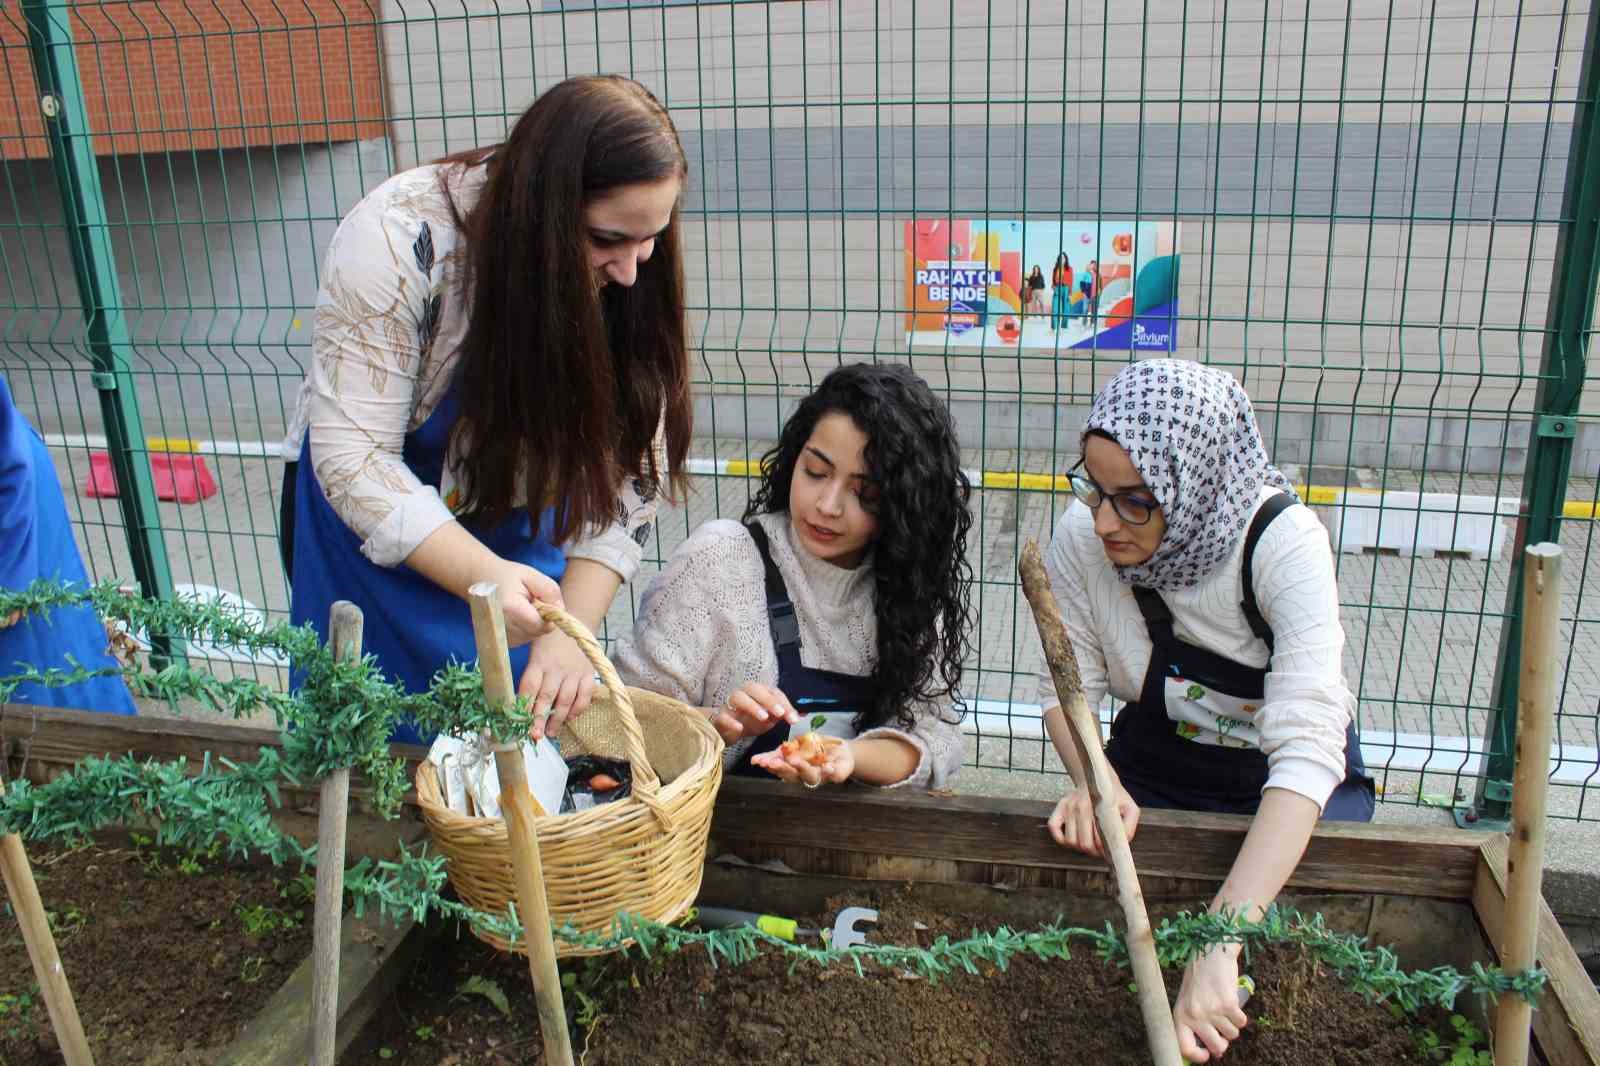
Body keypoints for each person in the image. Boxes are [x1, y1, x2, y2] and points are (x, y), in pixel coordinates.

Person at [280, 75, 692, 744]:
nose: (630, 272)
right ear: (545, 212)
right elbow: (352, 457)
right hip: (381, 540)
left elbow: (629, 472)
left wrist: (571, 639)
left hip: (519, 539)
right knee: (371, 751)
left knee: (519, 740)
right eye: (608, 240)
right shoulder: (398, 237)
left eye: (650, 240)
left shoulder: (628, 261)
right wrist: (482, 575)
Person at [1037, 359, 1374, 1063]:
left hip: (1282, 788)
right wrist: (1095, 781)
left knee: (1300, 947)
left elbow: (1312, 749)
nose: (1104, 521)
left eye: (1135, 500)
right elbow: (1069, 694)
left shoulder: (1283, 546)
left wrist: (1220, 941)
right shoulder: (1081, 537)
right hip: (1154, 768)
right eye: (1094, 488)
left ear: (1197, 483)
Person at [614, 363, 973, 790]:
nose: (828, 505)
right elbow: (622, 723)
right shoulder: (720, 561)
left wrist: (847, 757)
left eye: (867, 494)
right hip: (714, 846)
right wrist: (718, 727)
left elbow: (939, 738)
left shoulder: (906, 590)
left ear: (902, 506)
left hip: (852, 847)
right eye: (816, 472)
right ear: (794, 457)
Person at [0, 375, 137, 715]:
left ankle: (94, 752)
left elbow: (10, 467)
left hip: (14, 496)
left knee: (39, 645)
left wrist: (11, 579)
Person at [1050, 253, 1074, 329]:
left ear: (1066, 259)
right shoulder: (1055, 269)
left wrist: (1070, 293)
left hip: (1066, 289)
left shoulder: (1069, 268)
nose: (1062, 259)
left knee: (1066, 309)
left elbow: (1071, 281)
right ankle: (1054, 327)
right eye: (1060, 258)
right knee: (1054, 309)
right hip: (1057, 288)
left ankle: (1064, 326)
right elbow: (1053, 280)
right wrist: (1053, 287)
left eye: (1063, 258)